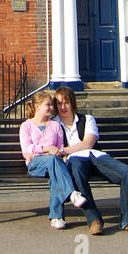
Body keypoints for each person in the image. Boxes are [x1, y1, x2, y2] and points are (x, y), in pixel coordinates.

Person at [52, 86, 128, 235]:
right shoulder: (53, 124)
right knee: (76, 171)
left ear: (72, 103)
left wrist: (63, 150)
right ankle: (94, 220)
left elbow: (88, 144)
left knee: (127, 172)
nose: (63, 107)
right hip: (74, 160)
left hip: (95, 156)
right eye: (59, 103)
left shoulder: (87, 119)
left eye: (66, 102)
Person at [18, 89, 88, 229]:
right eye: (48, 105)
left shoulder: (55, 125)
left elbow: (60, 147)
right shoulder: (26, 126)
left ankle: (57, 218)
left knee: (55, 169)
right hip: (36, 164)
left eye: (51, 105)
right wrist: (47, 149)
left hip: (54, 163)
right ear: (37, 106)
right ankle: (72, 194)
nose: (51, 108)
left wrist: (61, 155)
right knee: (52, 161)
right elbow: (27, 151)